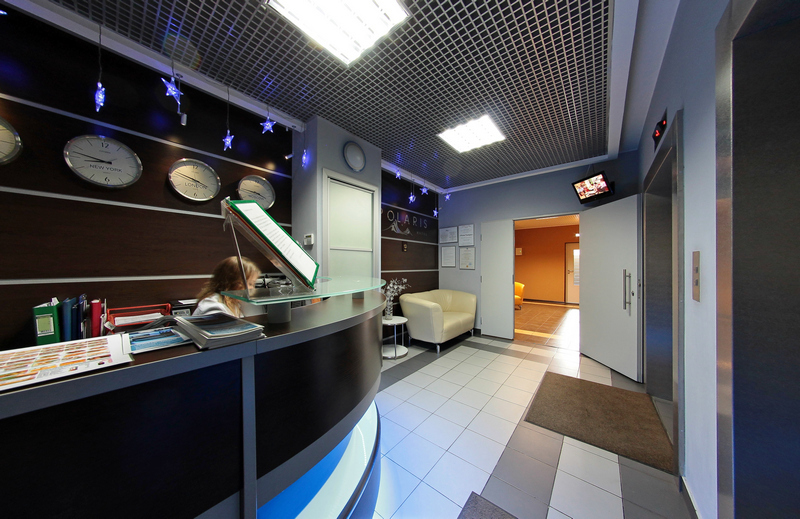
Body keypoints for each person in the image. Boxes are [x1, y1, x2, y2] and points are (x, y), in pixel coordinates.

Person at [193, 256, 260, 317]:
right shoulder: (214, 308)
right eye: (250, 284)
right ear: (235, 283)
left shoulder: (234, 304)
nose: (252, 288)